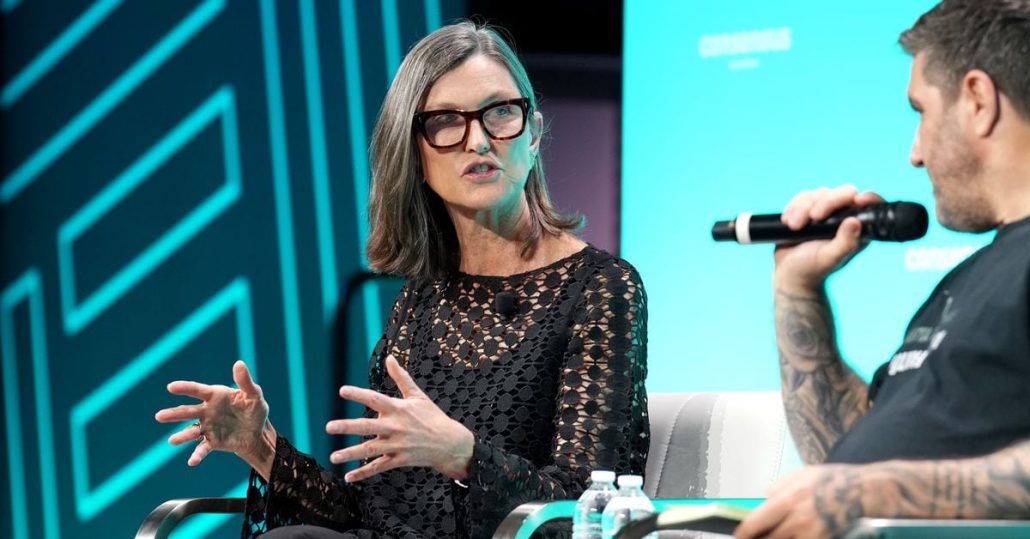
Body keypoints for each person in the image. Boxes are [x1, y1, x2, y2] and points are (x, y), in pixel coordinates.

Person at [154, 21, 650, 539]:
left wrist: (463, 456)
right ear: (416, 154)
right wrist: (260, 446)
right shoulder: (423, 298)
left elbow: (586, 509)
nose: (478, 140)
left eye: (501, 112)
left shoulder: (600, 288)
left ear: (533, 133)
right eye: (446, 122)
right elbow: (373, 516)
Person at [735, 1, 1030, 537]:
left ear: (978, 101)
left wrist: (874, 492)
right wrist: (797, 287)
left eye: (921, 111)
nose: (915, 154)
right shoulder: (970, 278)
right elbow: (841, 457)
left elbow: (864, 485)